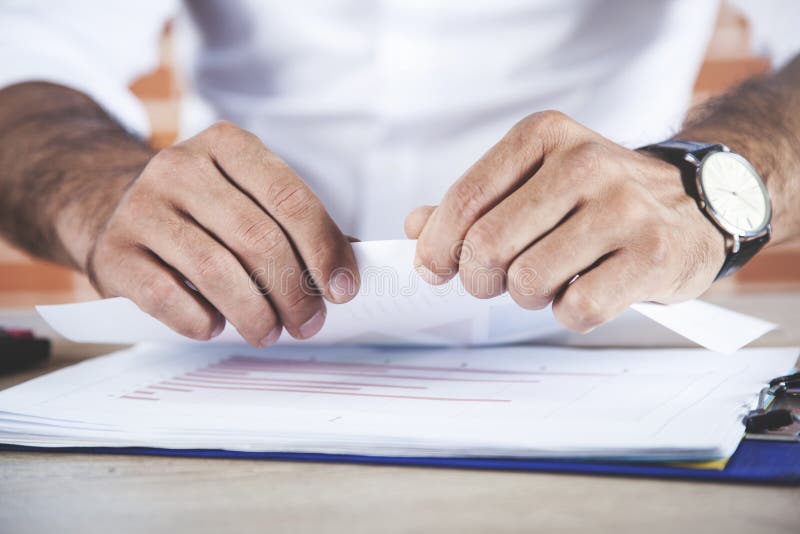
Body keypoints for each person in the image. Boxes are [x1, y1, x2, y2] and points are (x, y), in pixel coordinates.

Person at [0, 1, 798, 347]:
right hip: (229, 340)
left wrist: (709, 190)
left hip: (613, 327)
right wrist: (99, 196)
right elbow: (27, 36)